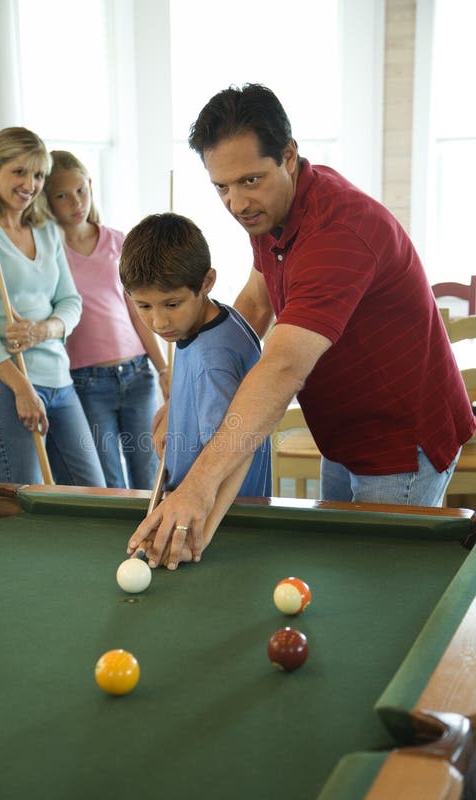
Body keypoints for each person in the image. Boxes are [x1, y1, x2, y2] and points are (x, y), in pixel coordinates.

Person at [127, 83, 476, 570]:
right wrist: (183, 400)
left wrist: (198, 487)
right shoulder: (271, 211)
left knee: (375, 580)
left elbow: (283, 367)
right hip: (341, 430)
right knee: (339, 570)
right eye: (222, 187)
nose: (237, 203)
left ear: (288, 156)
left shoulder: (336, 233)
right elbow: (254, 304)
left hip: (401, 442)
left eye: (250, 180)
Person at [0, 127, 106, 487]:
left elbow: (71, 302)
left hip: (60, 382)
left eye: (38, 175)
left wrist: (42, 330)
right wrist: (21, 387)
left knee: (95, 492)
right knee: (27, 501)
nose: (30, 185)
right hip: (4, 387)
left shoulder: (48, 231)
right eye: (19, 172)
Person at [119, 212, 272, 534]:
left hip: (212, 523)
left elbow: (233, 449)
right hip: (214, 515)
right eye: (144, 306)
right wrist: (177, 410)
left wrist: (191, 528)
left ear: (206, 282)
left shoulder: (211, 361)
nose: (159, 322)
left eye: (172, 304)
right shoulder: (218, 319)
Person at [44, 151, 169, 489]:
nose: (76, 202)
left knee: (149, 475)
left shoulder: (118, 241)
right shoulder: (49, 251)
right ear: (48, 201)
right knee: (108, 481)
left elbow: (137, 311)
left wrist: (163, 369)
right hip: (86, 383)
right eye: (62, 195)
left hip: (137, 375)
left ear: (90, 185)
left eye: (81, 190)